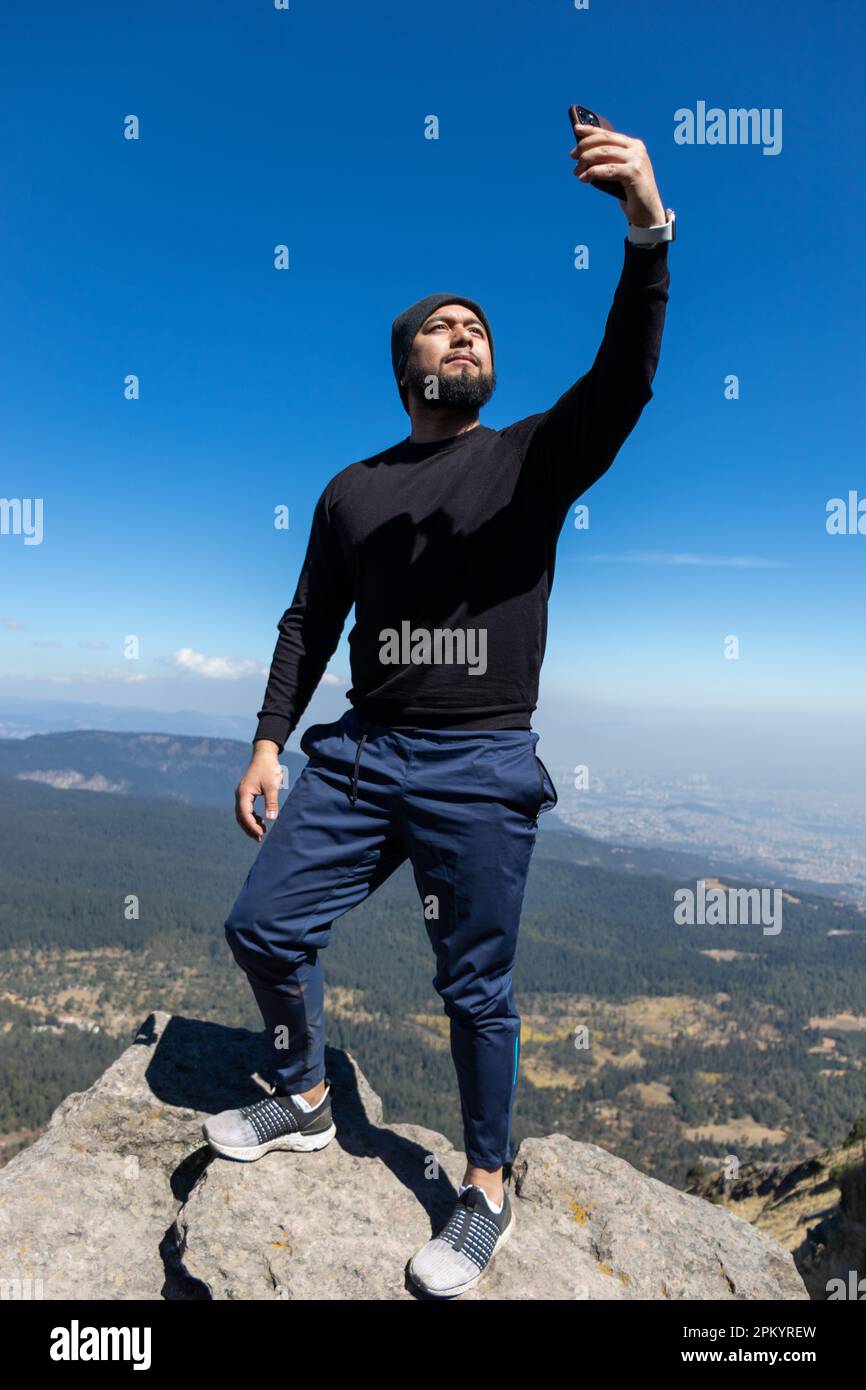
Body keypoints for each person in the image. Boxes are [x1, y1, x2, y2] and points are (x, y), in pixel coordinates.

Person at [203, 117, 674, 1298]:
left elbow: (622, 379)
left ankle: (482, 1189)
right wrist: (269, 740)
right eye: (443, 328)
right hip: (358, 756)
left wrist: (642, 228)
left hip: (477, 761)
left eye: (479, 330)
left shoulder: (528, 458)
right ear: (409, 364)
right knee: (262, 926)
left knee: (471, 989)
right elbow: (307, 621)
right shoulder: (352, 490)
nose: (466, 337)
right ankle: (305, 1092)